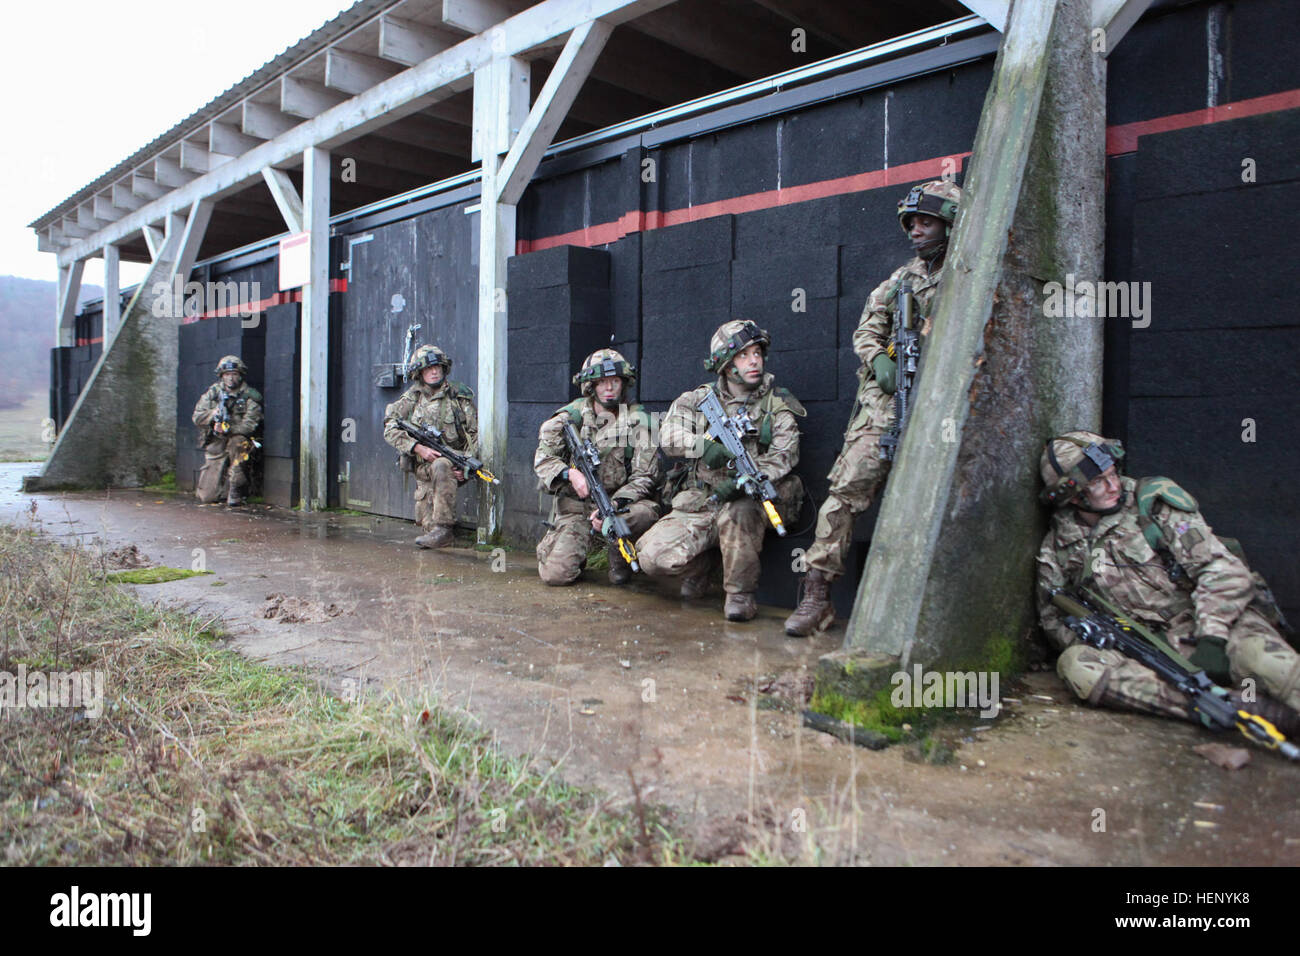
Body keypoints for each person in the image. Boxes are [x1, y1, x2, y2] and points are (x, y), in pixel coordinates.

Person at [785, 179, 962, 636]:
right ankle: (817, 596)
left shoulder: (968, 275)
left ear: (950, 225)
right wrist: (881, 359)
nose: (916, 232)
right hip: (885, 408)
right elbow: (866, 332)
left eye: (927, 223)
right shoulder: (900, 281)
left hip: (945, 401)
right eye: (912, 224)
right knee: (844, 493)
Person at [1036, 430, 1300, 733]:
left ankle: (1247, 708)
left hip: (1213, 626)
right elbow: (1053, 620)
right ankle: (1227, 707)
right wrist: (1111, 643)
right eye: (1097, 481)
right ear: (1072, 494)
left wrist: (1212, 637)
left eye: (1113, 474)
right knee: (1077, 666)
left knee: (1268, 662)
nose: (1113, 485)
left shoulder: (1152, 503)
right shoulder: (1056, 548)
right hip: (1145, 650)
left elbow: (1221, 568)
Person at [638, 320, 804, 621]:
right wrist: (702, 445)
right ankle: (706, 563)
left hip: (754, 499)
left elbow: (785, 454)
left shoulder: (776, 402)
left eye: (757, 352)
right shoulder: (697, 400)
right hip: (703, 501)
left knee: (739, 511)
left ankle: (740, 595)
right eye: (743, 355)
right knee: (651, 557)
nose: (755, 360)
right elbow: (667, 436)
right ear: (726, 365)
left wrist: (745, 481)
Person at [534, 349, 661, 586]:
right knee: (556, 575)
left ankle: (619, 556)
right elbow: (543, 459)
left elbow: (645, 477)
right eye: (602, 382)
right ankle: (564, 546)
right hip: (578, 508)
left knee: (645, 513)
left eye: (615, 381)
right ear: (591, 386)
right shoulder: (568, 418)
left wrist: (614, 505)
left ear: (624, 383)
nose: (609, 388)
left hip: (620, 506)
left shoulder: (640, 422)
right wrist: (570, 474)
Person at [383, 344, 479, 549]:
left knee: (442, 464)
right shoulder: (412, 398)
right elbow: (389, 428)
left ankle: (444, 529)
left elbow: (475, 433)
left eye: (437, 367)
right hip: (422, 466)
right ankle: (440, 528)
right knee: (427, 528)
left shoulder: (458, 396)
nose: (434, 371)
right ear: (419, 373)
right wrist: (417, 447)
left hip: (453, 464)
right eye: (428, 368)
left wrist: (466, 466)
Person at [192, 355, 262, 506]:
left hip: (237, 441)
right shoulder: (213, 394)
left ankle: (237, 490)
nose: (231, 379)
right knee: (207, 498)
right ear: (222, 376)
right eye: (227, 375)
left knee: (239, 444)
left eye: (234, 374)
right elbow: (197, 417)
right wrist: (213, 416)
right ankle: (222, 489)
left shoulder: (250, 396)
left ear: (241, 375)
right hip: (216, 442)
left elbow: (249, 425)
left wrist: (229, 429)